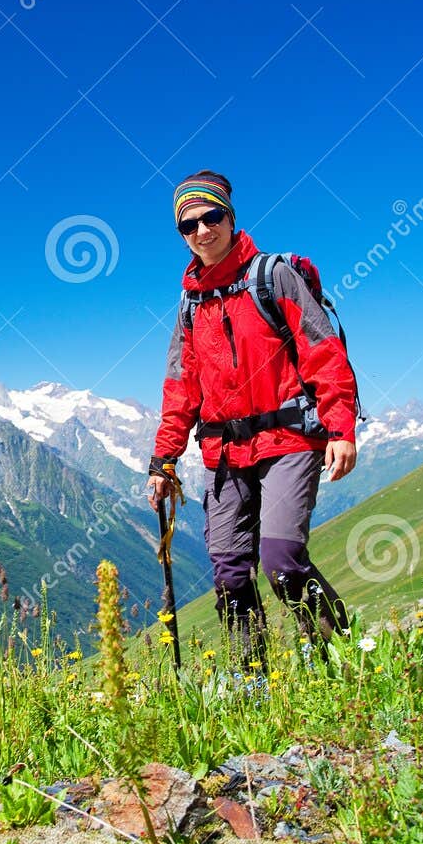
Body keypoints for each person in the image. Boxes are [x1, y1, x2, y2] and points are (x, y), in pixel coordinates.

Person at [146, 170, 360, 671]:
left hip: (288, 439)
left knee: (282, 562)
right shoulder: (190, 303)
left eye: (211, 216)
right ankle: (253, 681)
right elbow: (181, 387)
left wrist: (341, 427)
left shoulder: (272, 275)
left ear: (230, 217)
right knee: (229, 573)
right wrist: (164, 459)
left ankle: (344, 656)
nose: (202, 231)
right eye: (188, 225)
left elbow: (323, 351)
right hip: (223, 454)